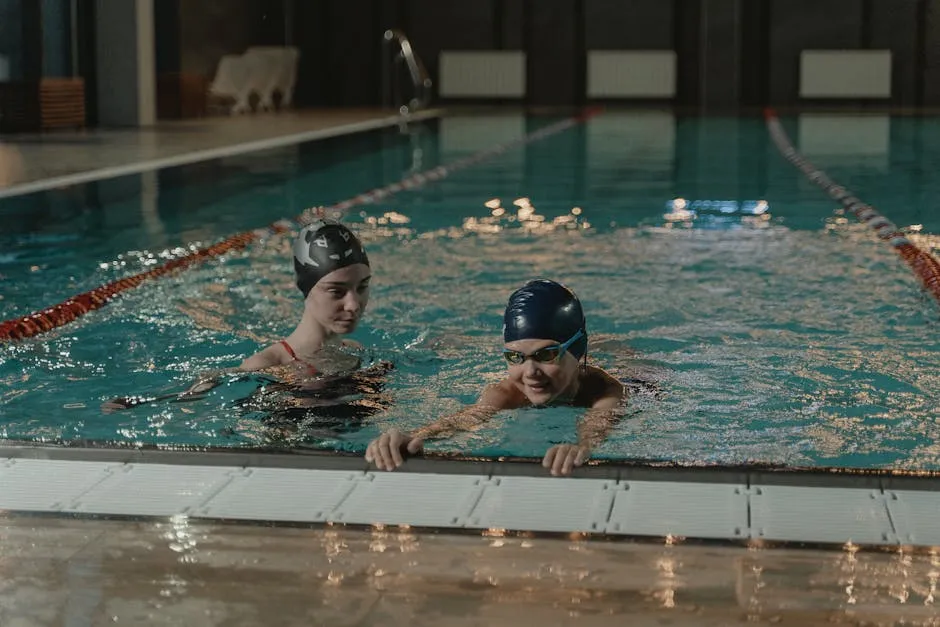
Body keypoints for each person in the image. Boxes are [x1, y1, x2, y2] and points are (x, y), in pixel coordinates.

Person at [101, 217, 375, 412]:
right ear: (305, 287)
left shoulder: (354, 351)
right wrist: (140, 402)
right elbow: (211, 385)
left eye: (362, 288)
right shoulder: (267, 362)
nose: (354, 304)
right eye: (336, 292)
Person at [365, 279, 626, 476]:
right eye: (515, 357)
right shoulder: (508, 392)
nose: (530, 373)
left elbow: (599, 421)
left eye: (546, 355)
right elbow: (467, 418)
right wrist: (416, 435)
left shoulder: (604, 388)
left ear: (577, 350)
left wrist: (581, 446)